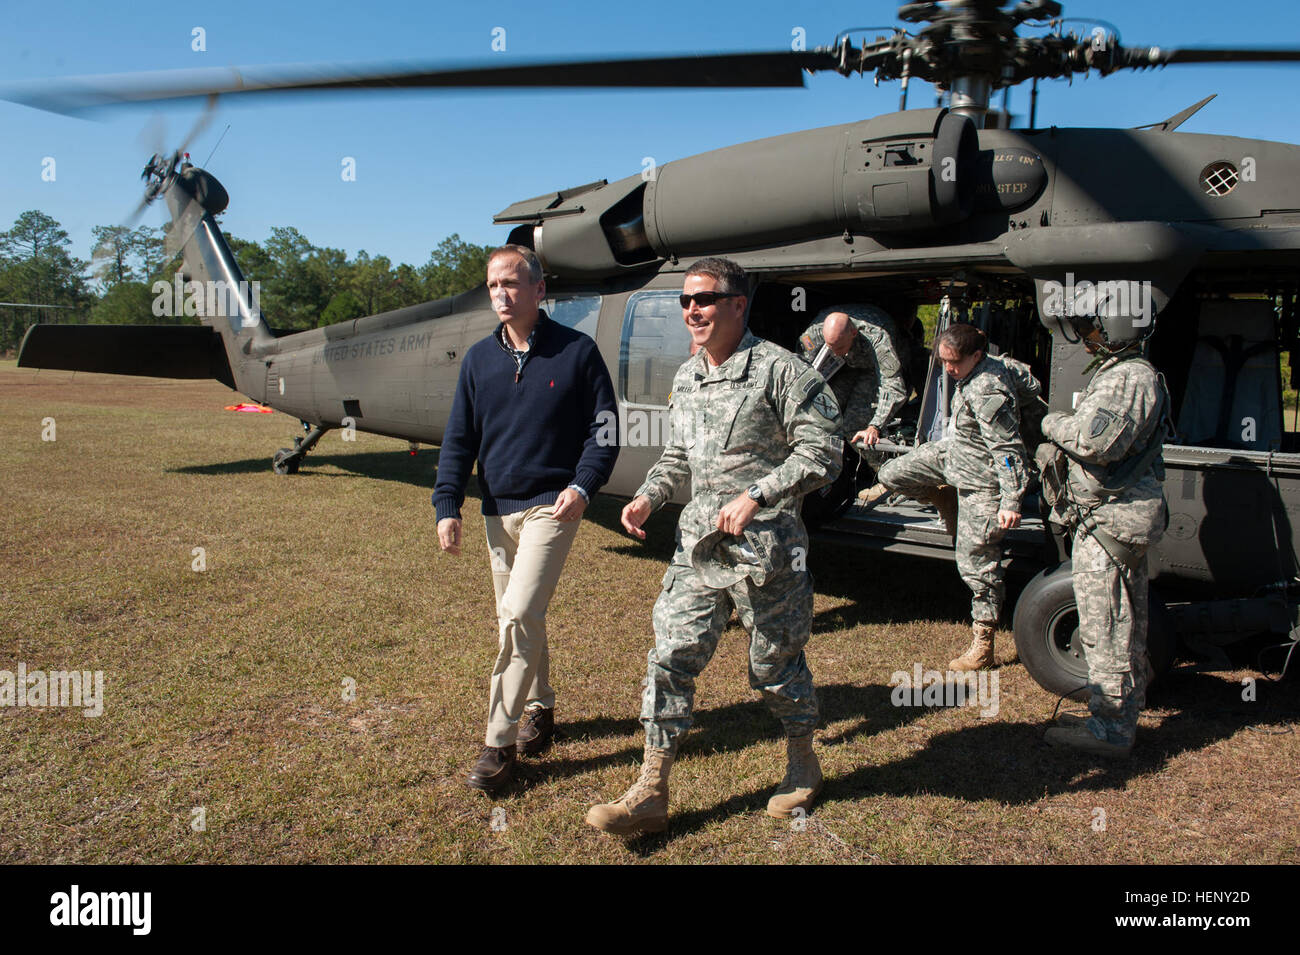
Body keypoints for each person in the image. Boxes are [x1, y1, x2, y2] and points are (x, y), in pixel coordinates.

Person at [585, 257, 843, 836]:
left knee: (772, 665)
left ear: (737, 304)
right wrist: (649, 496)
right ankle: (651, 788)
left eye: (703, 298)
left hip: (767, 551)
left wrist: (759, 493)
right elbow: (679, 455)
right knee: (671, 656)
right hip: (698, 547)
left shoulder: (781, 371)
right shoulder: (688, 376)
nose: (691, 310)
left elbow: (825, 453)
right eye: (684, 301)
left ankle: (803, 761)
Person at [432, 244, 618, 793]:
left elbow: (604, 430)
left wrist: (583, 485)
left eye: (512, 284)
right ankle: (541, 707)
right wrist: (448, 503)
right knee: (517, 619)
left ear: (540, 290)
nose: (501, 294)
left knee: (516, 614)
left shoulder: (577, 352)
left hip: (552, 506)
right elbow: (458, 439)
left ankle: (498, 743)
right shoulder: (477, 360)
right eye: (493, 286)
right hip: (497, 510)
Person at [863, 324, 1035, 671]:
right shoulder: (995, 367)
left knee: (976, 562)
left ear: (976, 356)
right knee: (891, 474)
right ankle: (943, 498)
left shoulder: (989, 390)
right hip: (954, 454)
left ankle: (983, 645)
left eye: (954, 362)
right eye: (942, 360)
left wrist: (1011, 501)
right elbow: (1032, 386)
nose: (948, 369)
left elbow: (1007, 450)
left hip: (981, 480)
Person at [1039, 311, 1168, 758]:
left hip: (1112, 519)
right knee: (1123, 623)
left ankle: (1110, 730)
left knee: (1105, 626)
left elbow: (1095, 443)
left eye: (1094, 330)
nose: (1088, 339)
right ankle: (1118, 713)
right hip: (1119, 518)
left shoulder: (1127, 379)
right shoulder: (1130, 374)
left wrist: (1051, 423)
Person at [797, 306, 908, 518]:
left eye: (838, 345)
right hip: (844, 368)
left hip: (870, 370)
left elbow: (894, 387)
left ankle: (891, 476)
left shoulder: (877, 338)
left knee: (854, 427)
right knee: (824, 416)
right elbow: (800, 372)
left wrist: (875, 425)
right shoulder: (813, 335)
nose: (833, 349)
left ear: (853, 333)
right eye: (830, 345)